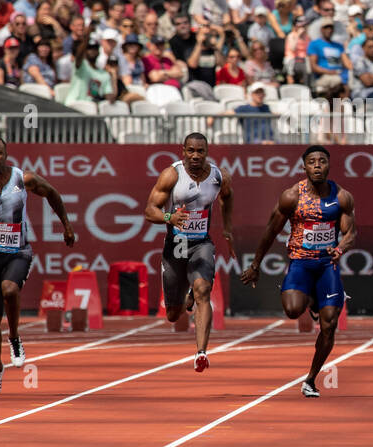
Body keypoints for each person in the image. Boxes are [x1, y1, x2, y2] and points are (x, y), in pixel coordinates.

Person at [240, 145, 357, 398]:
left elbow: (350, 233)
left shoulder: (342, 197)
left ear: (329, 165)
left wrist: (341, 248)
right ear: (304, 167)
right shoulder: (292, 196)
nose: (317, 166)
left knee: (330, 325)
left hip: (328, 264)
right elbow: (271, 231)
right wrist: (255, 264)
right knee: (293, 310)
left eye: (322, 161)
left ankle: (311, 379)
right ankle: (312, 301)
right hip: (301, 262)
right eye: (312, 162)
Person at [0, 136, 76, 394]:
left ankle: (14, 337)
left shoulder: (23, 179)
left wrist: (67, 226)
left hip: (19, 252)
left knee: (10, 290)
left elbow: (52, 194)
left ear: (6, 154)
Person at [143, 133, 235, 371]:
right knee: (173, 314)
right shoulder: (172, 175)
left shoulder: (218, 176)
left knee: (204, 290)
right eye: (191, 151)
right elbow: (150, 210)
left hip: (201, 243)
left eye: (200, 151)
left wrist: (226, 229)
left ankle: (201, 352)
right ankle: (187, 295)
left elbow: (227, 197)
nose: (195, 156)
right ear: (182, 150)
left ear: (207, 151)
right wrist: (169, 217)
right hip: (176, 246)